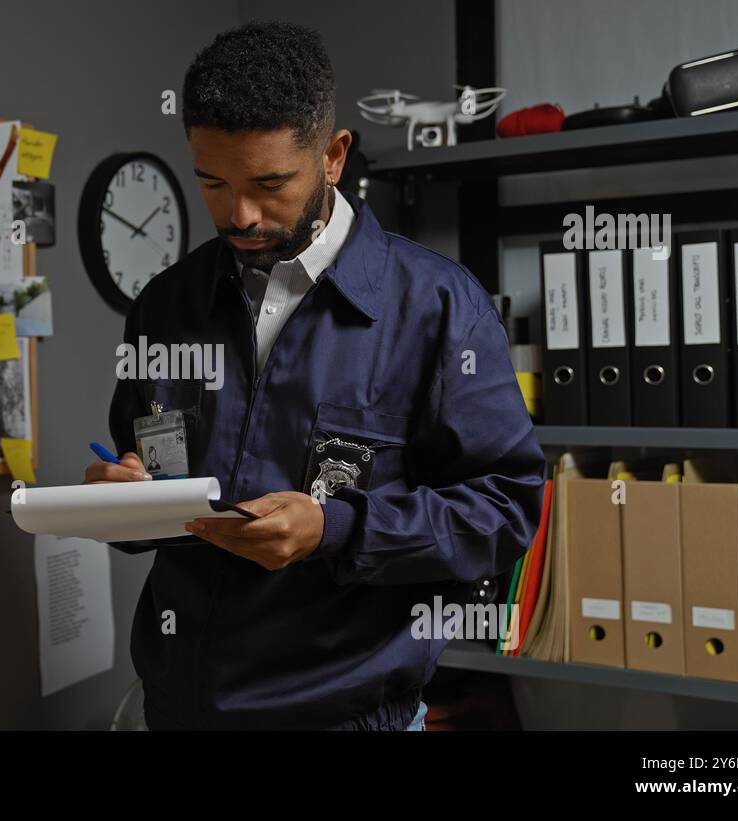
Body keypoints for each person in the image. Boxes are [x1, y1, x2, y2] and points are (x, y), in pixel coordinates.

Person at [83, 22, 544, 731]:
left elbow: (505, 508)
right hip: (178, 709)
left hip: (346, 715)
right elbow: (146, 482)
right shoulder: (165, 306)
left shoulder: (438, 308)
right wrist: (119, 502)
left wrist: (335, 527)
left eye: (269, 184)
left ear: (332, 157)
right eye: (212, 182)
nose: (238, 214)